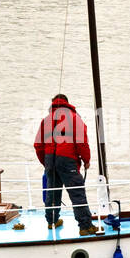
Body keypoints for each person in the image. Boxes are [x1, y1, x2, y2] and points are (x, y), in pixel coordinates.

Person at [33, 94, 100, 236]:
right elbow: (82, 143)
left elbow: (38, 146)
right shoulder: (75, 119)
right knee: (77, 193)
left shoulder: (45, 121)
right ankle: (85, 226)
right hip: (68, 160)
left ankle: (52, 221)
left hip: (50, 159)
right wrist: (86, 160)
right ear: (67, 104)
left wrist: (46, 163)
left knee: (52, 191)